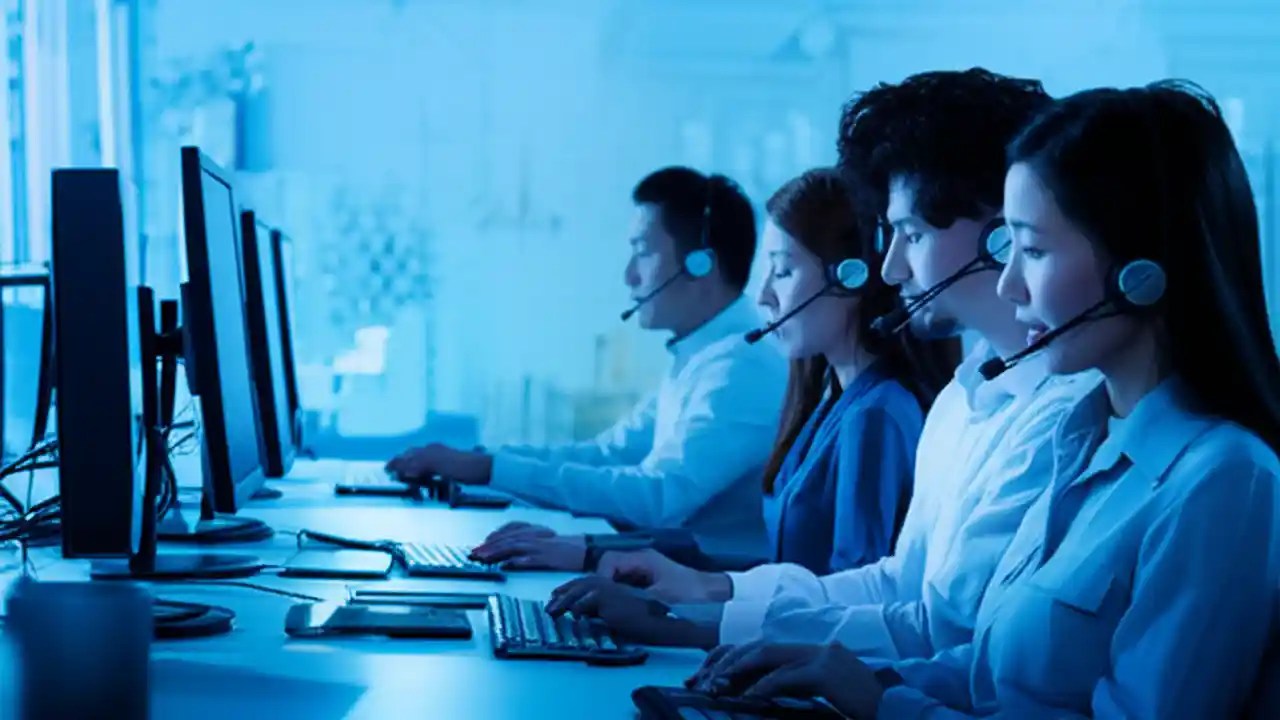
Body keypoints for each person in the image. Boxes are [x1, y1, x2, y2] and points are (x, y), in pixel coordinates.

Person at [691, 81, 1280, 719]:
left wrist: (883, 705)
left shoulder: (1225, 480)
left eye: (1031, 249)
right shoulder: (1085, 441)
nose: (1008, 283)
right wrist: (844, 674)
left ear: (1141, 268)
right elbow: (987, 673)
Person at [545, 69, 1099, 659]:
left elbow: (944, 632)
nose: (891, 270)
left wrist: (693, 623)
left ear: (999, 236)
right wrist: (711, 591)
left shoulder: (1061, 417)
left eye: (909, 233)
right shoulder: (962, 399)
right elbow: (897, 583)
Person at [474, 168, 959, 576]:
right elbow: (781, 574)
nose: (764, 295)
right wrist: (592, 553)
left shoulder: (870, 415)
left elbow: (843, 600)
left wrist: (599, 559)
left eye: (783, 271)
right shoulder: (827, 398)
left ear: (850, 277)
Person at [385, 167, 788, 556]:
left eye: (643, 253)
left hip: (702, 604)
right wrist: (482, 461)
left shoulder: (741, 368)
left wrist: (488, 469)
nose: (630, 277)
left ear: (700, 264)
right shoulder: (700, 354)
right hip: (665, 576)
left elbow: (658, 497)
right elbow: (608, 454)